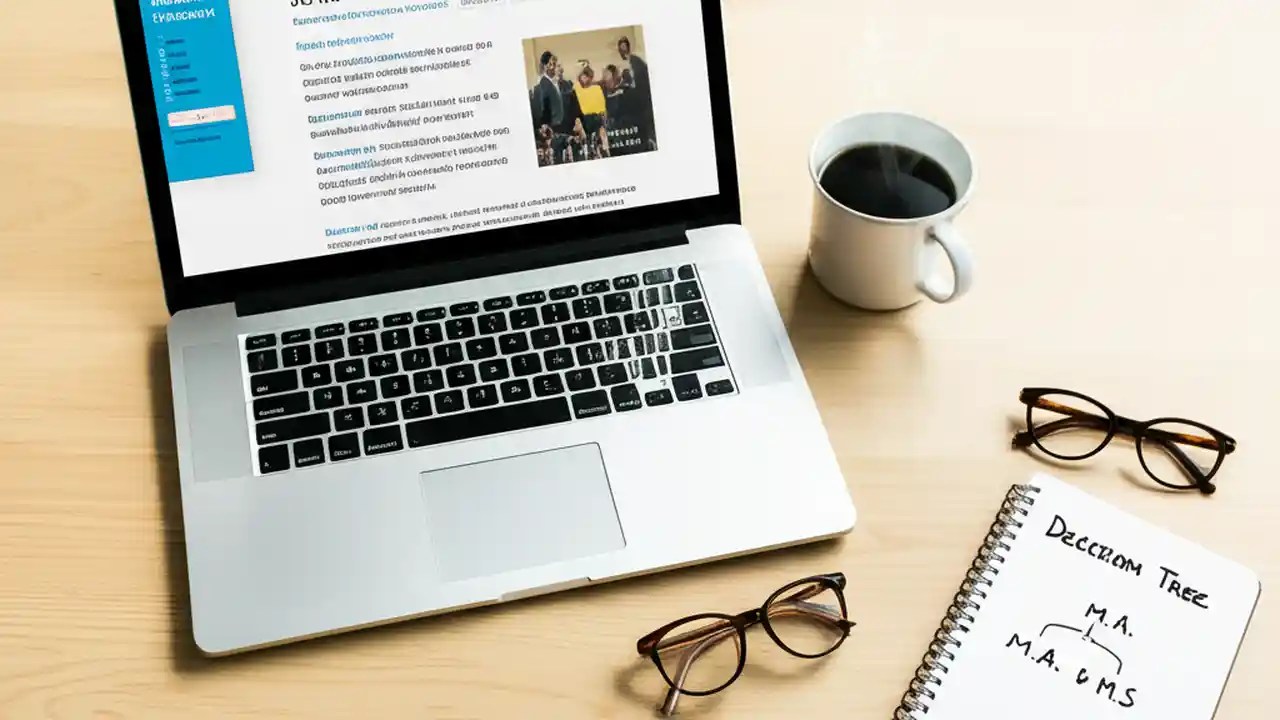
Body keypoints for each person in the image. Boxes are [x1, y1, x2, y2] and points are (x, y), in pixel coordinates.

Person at [617, 37, 655, 150]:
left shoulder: (636, 61)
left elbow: (638, 82)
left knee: (646, 132)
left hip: (642, 102)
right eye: (620, 49)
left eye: (623, 48)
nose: (622, 51)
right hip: (635, 103)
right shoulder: (626, 64)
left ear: (628, 48)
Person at [573, 65, 610, 159]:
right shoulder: (576, 88)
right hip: (584, 120)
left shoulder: (596, 89)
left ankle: (605, 153)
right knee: (588, 145)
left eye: (589, 78)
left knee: (603, 144)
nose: (586, 80)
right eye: (584, 77)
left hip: (597, 118)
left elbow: (603, 108)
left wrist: (604, 122)